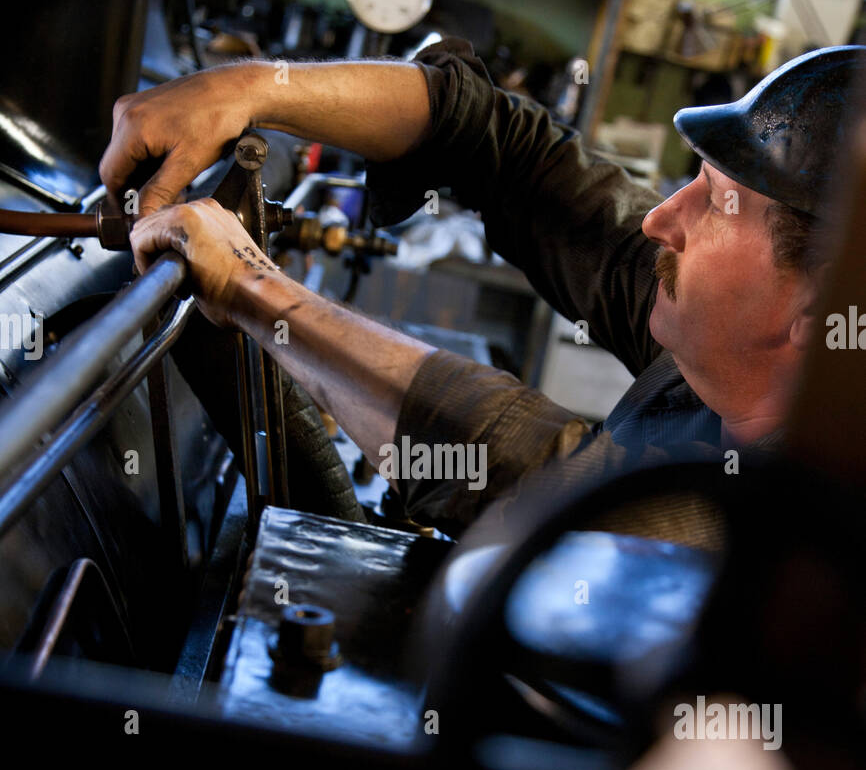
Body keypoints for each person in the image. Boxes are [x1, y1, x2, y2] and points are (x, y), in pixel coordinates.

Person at [100, 39, 866, 538]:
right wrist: (252, 88)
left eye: (717, 201)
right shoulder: (721, 357)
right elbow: (510, 153)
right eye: (690, 181)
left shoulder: (803, 539)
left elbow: (550, 485)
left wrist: (250, 285)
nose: (664, 219)